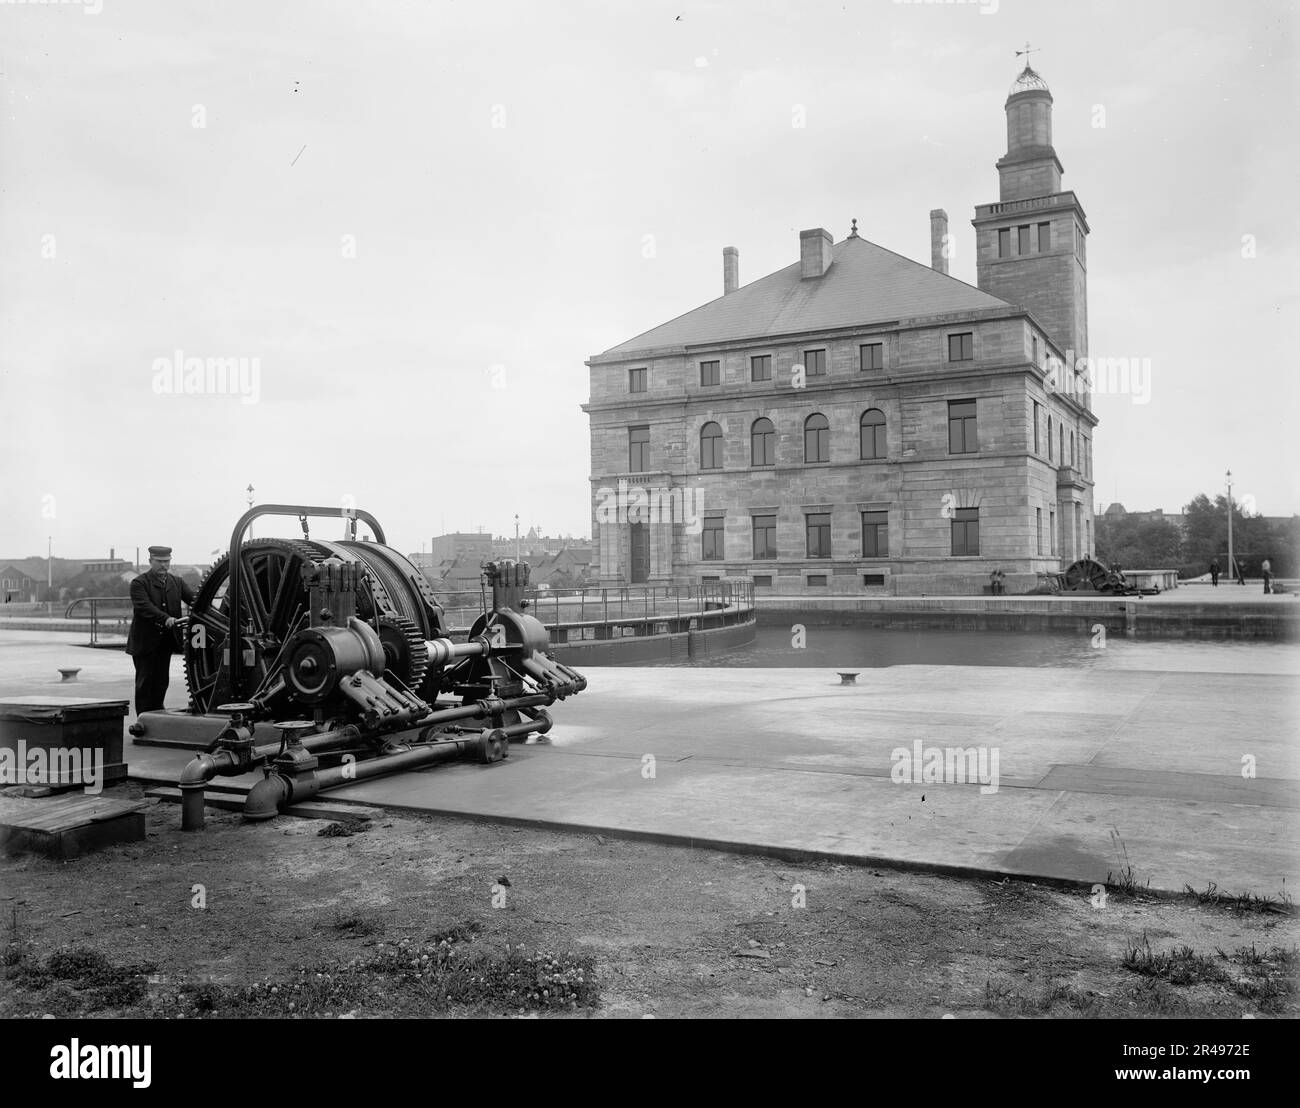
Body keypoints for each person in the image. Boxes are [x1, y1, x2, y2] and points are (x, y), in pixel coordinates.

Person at [126, 545, 195, 715]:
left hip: (166, 642)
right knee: (145, 682)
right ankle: (143, 718)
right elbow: (144, 607)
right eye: (160, 561)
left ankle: (156, 713)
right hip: (145, 642)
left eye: (167, 561)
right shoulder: (139, 583)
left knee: (162, 681)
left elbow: (196, 600)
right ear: (150, 561)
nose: (164, 565)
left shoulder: (176, 582)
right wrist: (166, 619)